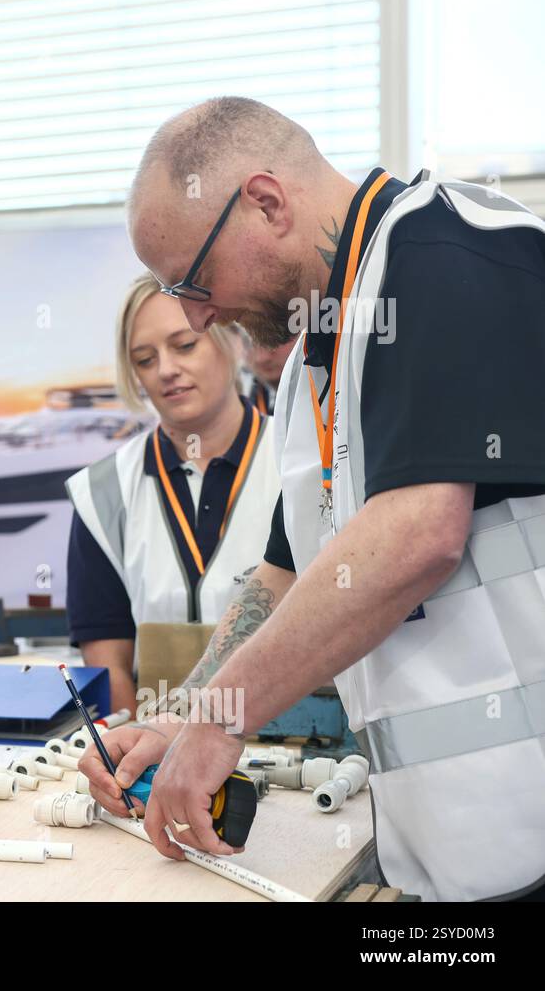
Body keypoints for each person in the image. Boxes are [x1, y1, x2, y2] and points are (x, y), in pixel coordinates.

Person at [84, 95, 545, 902]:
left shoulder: (439, 250)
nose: (198, 312)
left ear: (266, 200)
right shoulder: (312, 367)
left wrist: (221, 723)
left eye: (193, 280)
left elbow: (419, 532)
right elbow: (283, 574)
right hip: (459, 851)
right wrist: (176, 717)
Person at [65, 273, 280, 712]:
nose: (166, 370)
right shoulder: (102, 494)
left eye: (184, 346)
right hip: (155, 764)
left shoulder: (300, 461)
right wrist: (135, 762)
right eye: (145, 359)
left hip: (300, 758)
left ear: (234, 343)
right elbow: (110, 669)